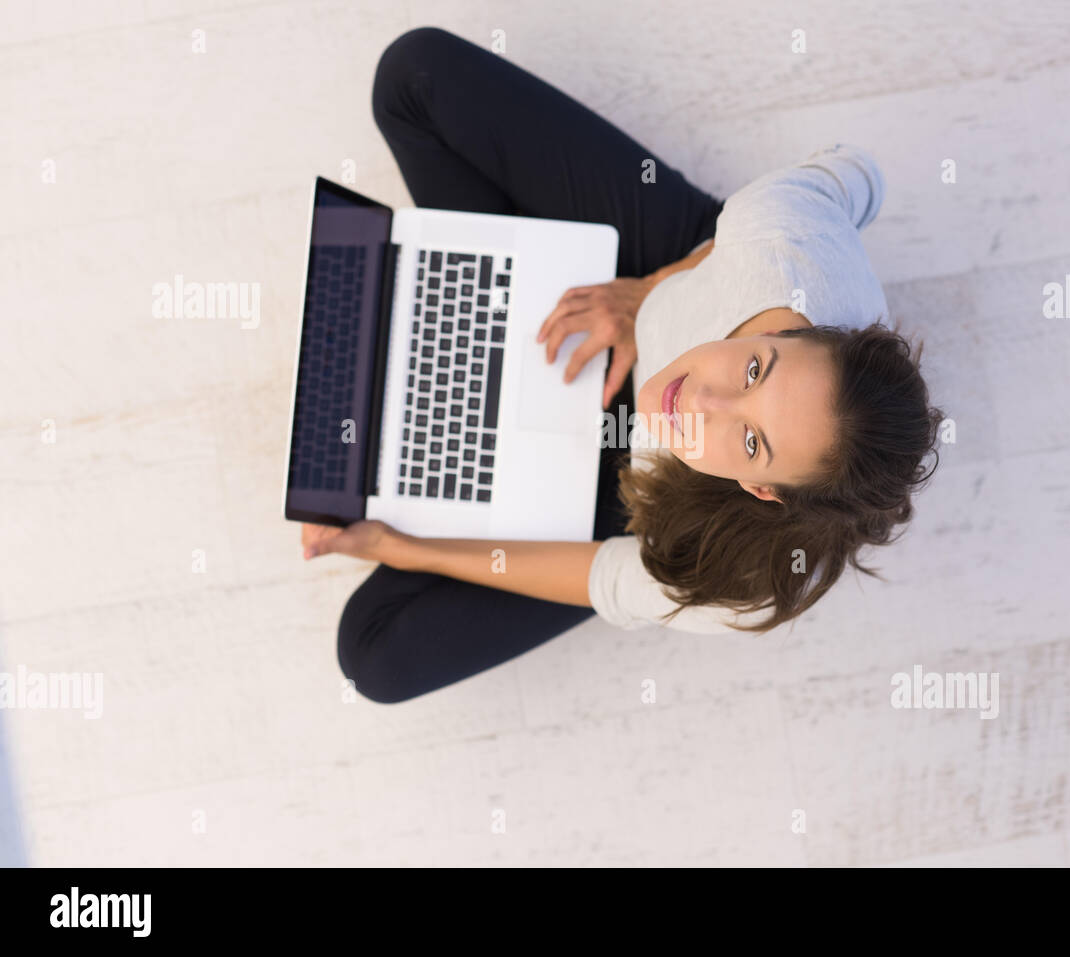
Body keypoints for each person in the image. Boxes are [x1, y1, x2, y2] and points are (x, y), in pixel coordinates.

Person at [299, 27, 945, 703]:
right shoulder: (782, 235)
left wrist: (406, 545)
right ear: (788, 324)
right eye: (756, 369)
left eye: (752, 442)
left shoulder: (744, 581)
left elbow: (604, 574)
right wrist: (645, 293)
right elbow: (861, 175)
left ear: (764, 492)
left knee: (372, 652)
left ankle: (485, 359)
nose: (699, 403)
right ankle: (505, 299)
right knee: (414, 79)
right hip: (656, 270)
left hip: (624, 493)